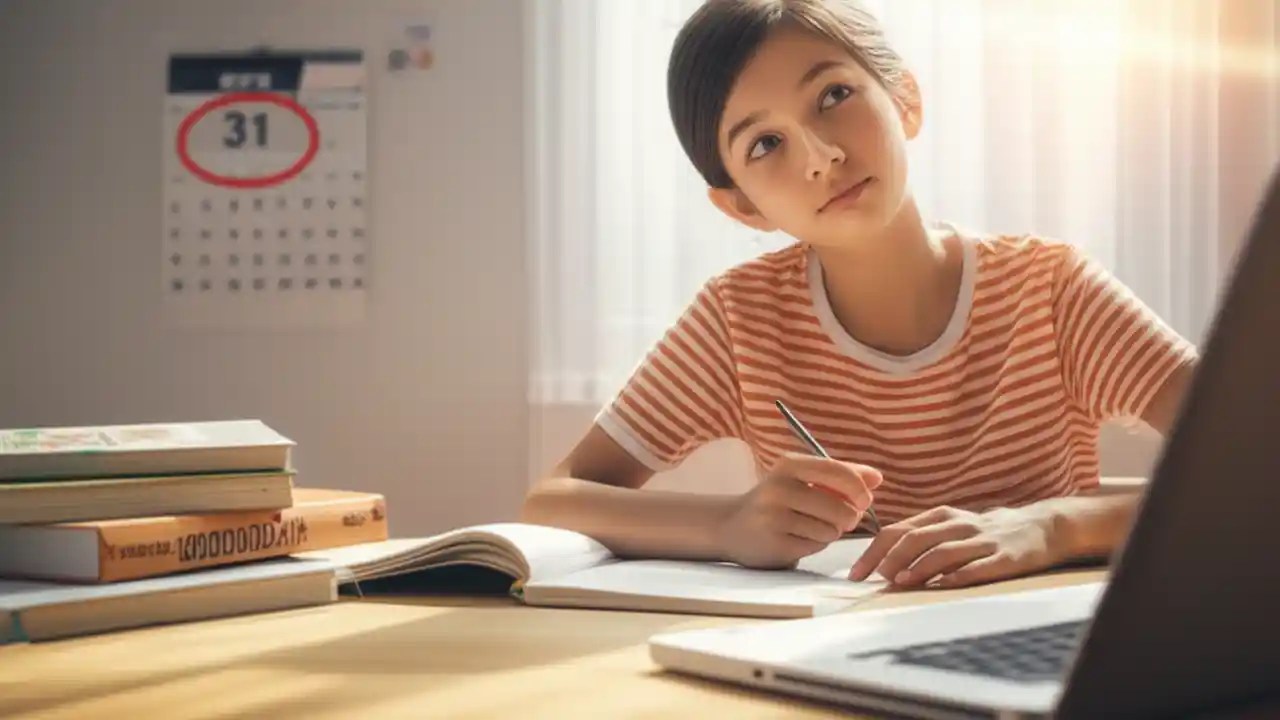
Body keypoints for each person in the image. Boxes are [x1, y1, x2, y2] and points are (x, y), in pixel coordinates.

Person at [522, 0, 1198, 589]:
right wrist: (726, 523)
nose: (819, 156)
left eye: (834, 96)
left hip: (1041, 653)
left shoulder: (1051, 292)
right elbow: (555, 498)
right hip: (831, 660)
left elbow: (1258, 461)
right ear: (741, 208)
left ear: (905, 100)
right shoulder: (739, 320)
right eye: (765, 144)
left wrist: (1058, 526)